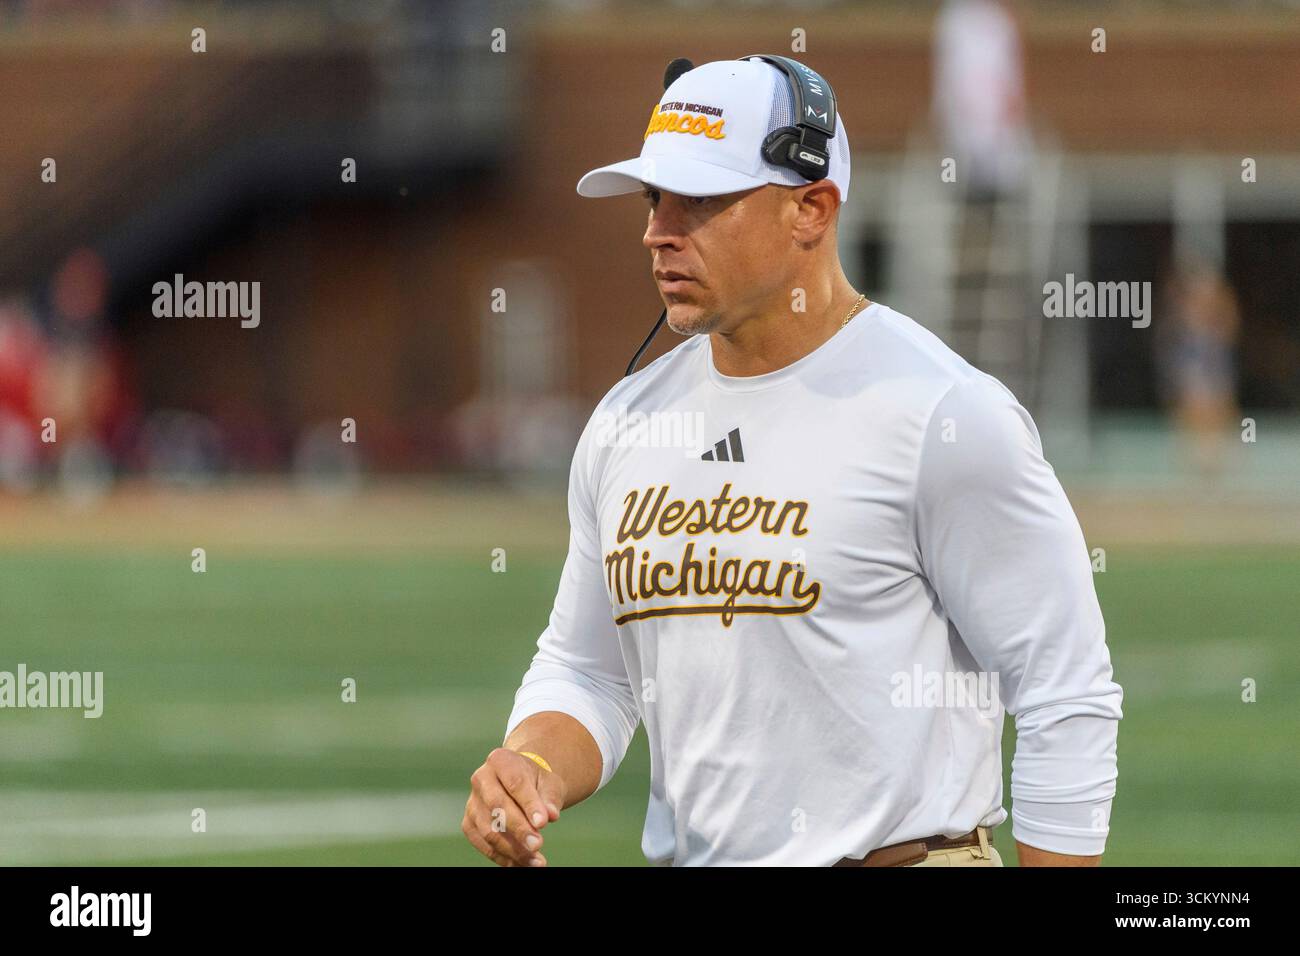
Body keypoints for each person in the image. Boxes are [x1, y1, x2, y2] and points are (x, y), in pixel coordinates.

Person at [463, 56, 1122, 867]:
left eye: (699, 199)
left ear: (811, 208)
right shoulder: (626, 423)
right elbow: (590, 673)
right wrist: (529, 767)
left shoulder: (942, 413)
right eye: (652, 198)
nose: (657, 230)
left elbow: (1065, 692)